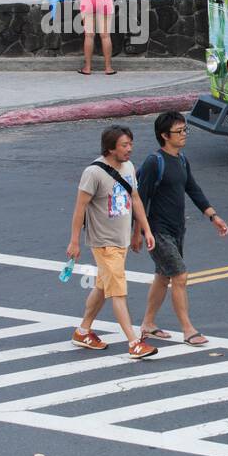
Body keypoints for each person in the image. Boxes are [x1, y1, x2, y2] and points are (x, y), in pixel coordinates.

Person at [136, 111, 228, 346]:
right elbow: (139, 198)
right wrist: (137, 232)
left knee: (163, 275)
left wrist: (213, 216)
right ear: (164, 135)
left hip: (177, 229)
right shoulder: (153, 162)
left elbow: (192, 188)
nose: (184, 135)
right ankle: (188, 329)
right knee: (179, 275)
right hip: (157, 230)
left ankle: (148, 323)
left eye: (185, 130)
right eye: (179, 131)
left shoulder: (181, 159)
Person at [67, 125, 157, 360]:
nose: (130, 149)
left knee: (103, 286)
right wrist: (74, 242)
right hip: (103, 242)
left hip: (121, 240)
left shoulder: (128, 167)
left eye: (130, 144)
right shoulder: (93, 173)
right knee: (117, 291)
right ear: (110, 148)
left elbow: (135, 199)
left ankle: (82, 331)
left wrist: (145, 230)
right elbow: (80, 208)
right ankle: (133, 342)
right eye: (124, 145)